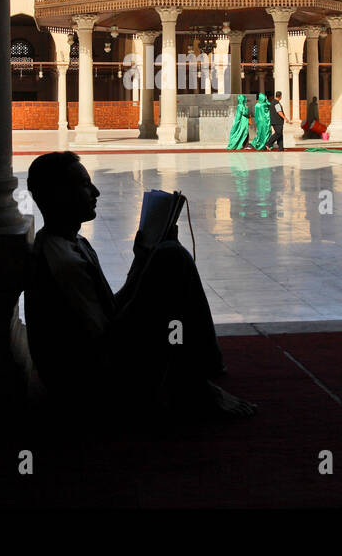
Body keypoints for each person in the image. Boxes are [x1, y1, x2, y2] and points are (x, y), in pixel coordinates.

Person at [23, 151, 256, 422]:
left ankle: (202, 367)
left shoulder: (70, 243)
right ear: (59, 195)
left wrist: (141, 262)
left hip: (95, 366)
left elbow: (110, 311)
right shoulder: (63, 261)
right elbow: (105, 339)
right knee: (170, 258)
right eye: (84, 185)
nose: (95, 192)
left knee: (163, 255)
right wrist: (153, 288)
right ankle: (194, 381)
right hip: (92, 390)